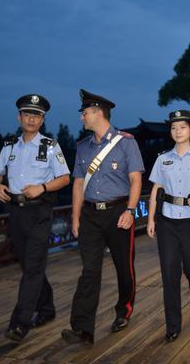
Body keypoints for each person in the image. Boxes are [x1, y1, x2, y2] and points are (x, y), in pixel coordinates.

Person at [61, 89, 144, 345]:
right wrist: (75, 217)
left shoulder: (126, 142)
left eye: (84, 113)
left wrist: (131, 210)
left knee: (124, 267)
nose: (82, 118)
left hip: (118, 212)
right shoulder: (82, 147)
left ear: (98, 113)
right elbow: (77, 184)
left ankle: (124, 310)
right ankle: (82, 329)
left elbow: (135, 179)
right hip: (90, 216)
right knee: (89, 270)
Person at [0, 94, 70, 342]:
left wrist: (43, 187)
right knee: (29, 266)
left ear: (42, 119)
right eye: (27, 114)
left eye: (36, 115)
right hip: (15, 212)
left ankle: (19, 323)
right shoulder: (9, 146)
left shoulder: (51, 146)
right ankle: (46, 308)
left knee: (33, 267)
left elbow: (65, 178)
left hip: (39, 212)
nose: (31, 118)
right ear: (19, 117)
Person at [146, 110, 190, 343]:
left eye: (182, 127)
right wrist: (150, 219)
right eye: (173, 128)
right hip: (167, 220)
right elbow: (156, 190)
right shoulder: (162, 159)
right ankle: (173, 326)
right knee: (169, 273)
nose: (177, 131)